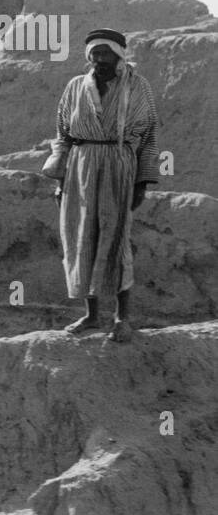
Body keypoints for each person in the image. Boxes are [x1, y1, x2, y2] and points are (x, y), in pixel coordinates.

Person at [42, 29, 160, 342]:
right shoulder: (75, 86)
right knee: (81, 239)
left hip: (118, 165)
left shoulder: (137, 86)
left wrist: (142, 182)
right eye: (94, 55)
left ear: (119, 55)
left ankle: (122, 318)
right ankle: (92, 316)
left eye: (105, 54)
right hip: (80, 168)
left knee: (117, 238)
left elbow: (148, 137)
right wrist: (60, 179)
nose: (99, 61)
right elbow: (63, 135)